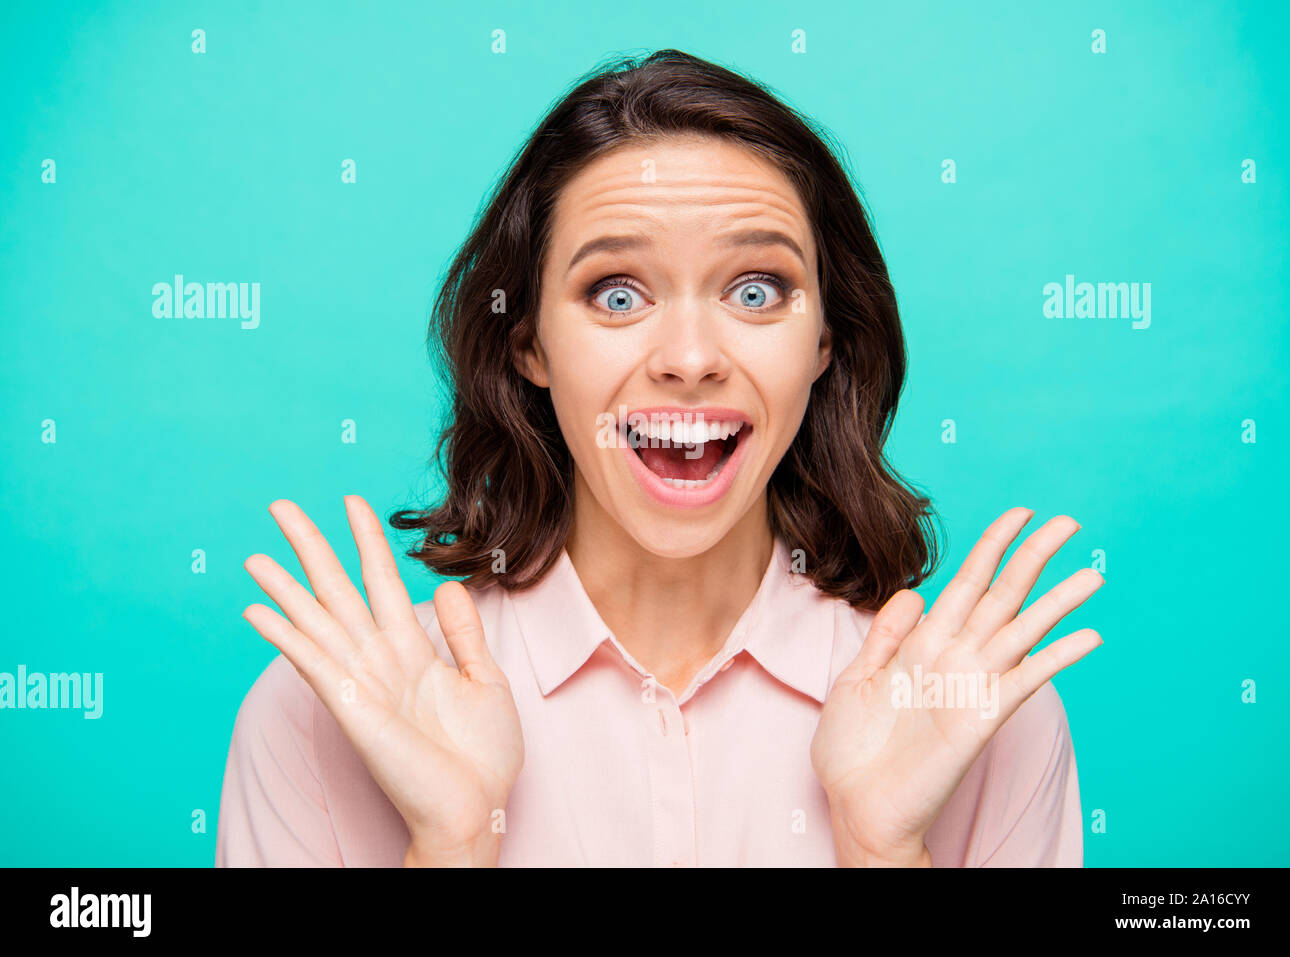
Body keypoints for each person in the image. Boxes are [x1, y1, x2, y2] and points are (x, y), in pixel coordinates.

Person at [216, 50, 1103, 867]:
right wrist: (452, 844)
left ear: (826, 340)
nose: (688, 355)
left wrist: (882, 850)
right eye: (616, 292)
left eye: (757, 291)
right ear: (529, 344)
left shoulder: (980, 718)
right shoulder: (324, 716)